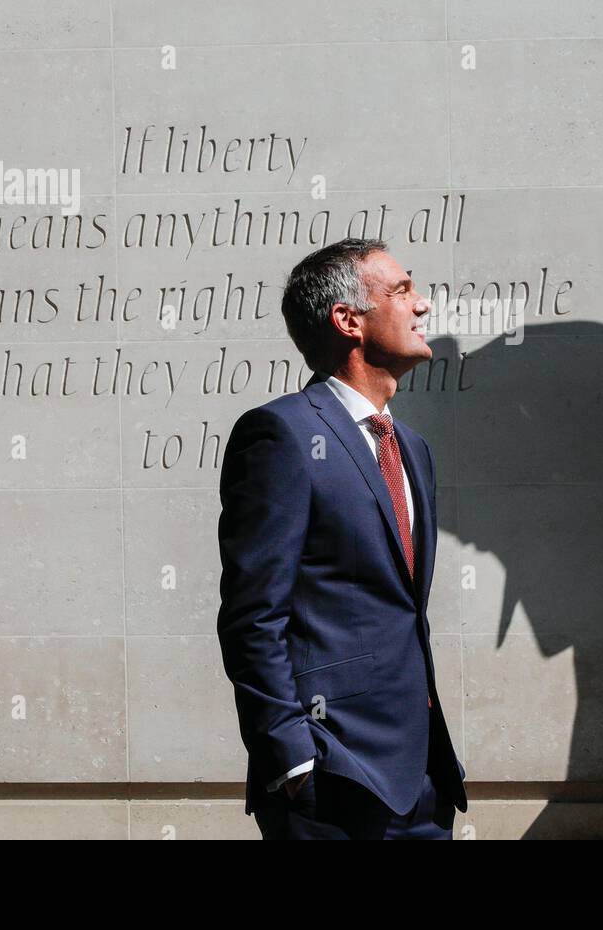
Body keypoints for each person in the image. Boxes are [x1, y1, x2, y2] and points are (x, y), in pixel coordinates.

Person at [217, 237, 467, 838]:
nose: (422, 304)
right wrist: (293, 760)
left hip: (424, 785)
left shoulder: (414, 450)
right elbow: (253, 618)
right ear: (348, 320)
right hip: (331, 784)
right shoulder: (280, 436)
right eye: (402, 291)